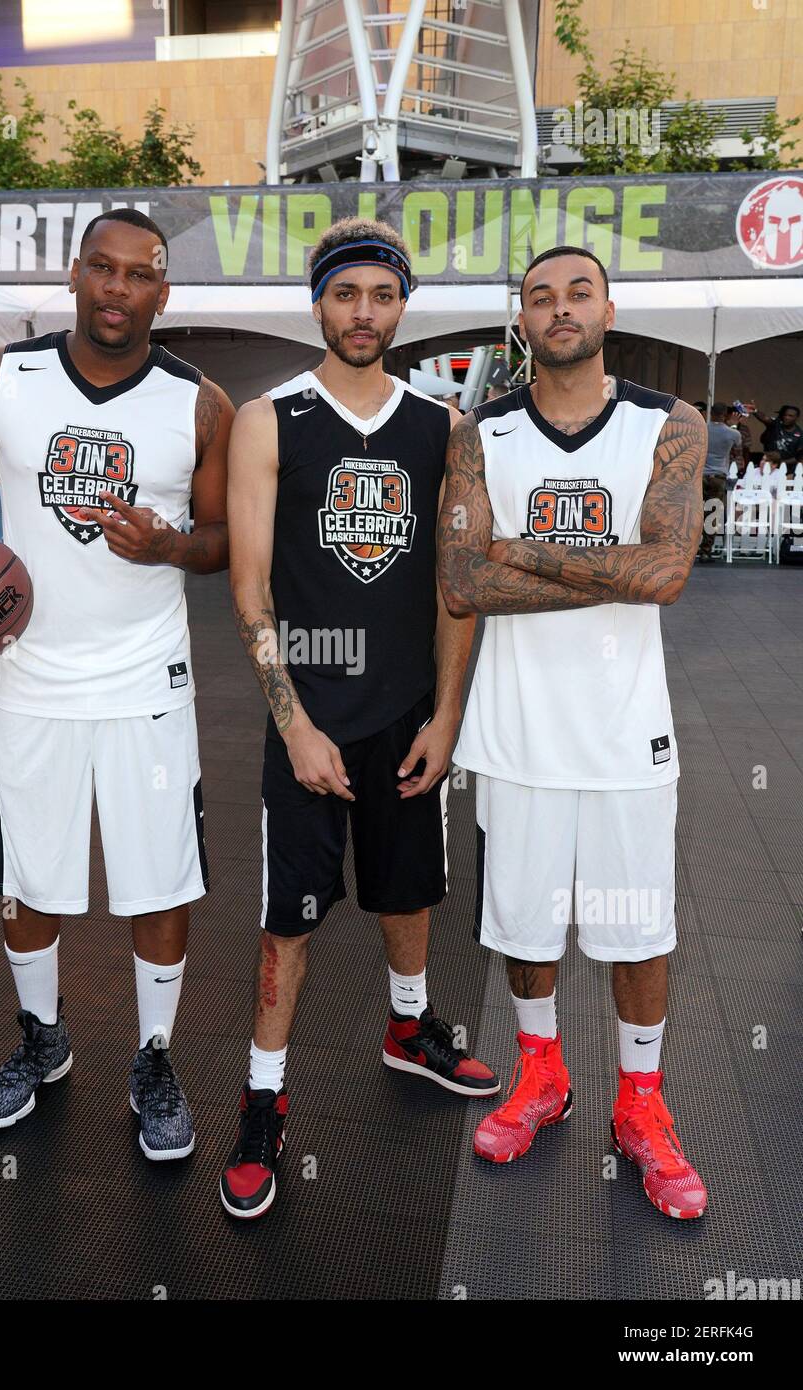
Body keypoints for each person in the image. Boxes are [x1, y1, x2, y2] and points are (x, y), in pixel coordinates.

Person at [0, 209, 233, 1161]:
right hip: (32, 672)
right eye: (101, 269)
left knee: (162, 876)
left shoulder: (201, 405)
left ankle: (153, 1057)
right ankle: (43, 1037)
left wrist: (172, 545)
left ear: (164, 291)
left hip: (149, 675)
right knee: (28, 876)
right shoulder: (5, 376)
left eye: (139, 274)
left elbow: (226, 541)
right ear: (75, 276)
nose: (117, 289)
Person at [223, 217, 499, 1221]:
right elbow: (251, 592)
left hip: (405, 715)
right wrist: (292, 721)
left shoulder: (442, 426)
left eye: (383, 295)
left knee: (406, 893)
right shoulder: (270, 418)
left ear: (402, 305)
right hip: (310, 712)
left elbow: (454, 587)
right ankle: (261, 1098)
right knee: (285, 922)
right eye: (348, 295)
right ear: (319, 303)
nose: (365, 313)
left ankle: (409, 1029)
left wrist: (448, 714)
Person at [438, 244, 709, 1221]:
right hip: (515, 737)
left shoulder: (669, 425)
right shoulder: (480, 435)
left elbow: (666, 573)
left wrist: (525, 553)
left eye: (577, 292)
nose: (560, 309)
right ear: (522, 317)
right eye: (541, 296)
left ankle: (642, 1104)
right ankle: (542, 1075)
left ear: (607, 307)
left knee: (639, 928)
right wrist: (601, 558)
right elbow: (463, 581)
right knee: (523, 924)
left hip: (627, 734)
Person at [699, 403, 740, 561]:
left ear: (711, 413)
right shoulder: (733, 433)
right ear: (726, 415)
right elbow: (738, 449)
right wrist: (733, 425)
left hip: (700, 475)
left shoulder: (702, 428)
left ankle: (691, 548)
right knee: (713, 514)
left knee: (696, 513)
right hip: (718, 476)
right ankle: (705, 551)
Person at [752, 403, 803, 468]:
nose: (786, 417)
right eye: (785, 415)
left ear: (797, 418)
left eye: (790, 416)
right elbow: (765, 418)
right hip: (768, 466)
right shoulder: (776, 424)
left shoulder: (800, 435)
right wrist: (755, 411)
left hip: (787, 469)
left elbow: (799, 457)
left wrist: (780, 463)